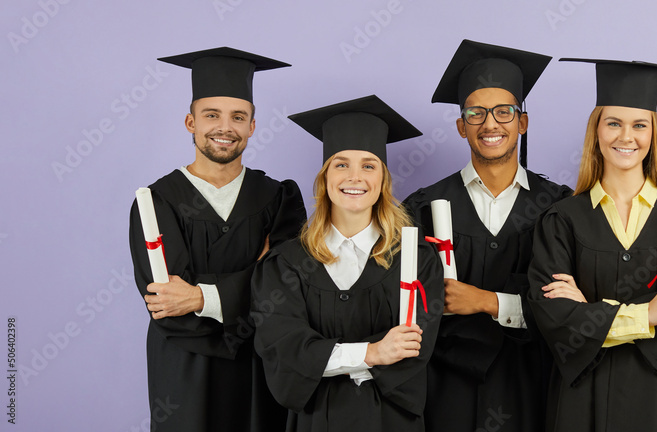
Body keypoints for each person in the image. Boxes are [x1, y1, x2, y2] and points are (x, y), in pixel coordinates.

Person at [527, 58, 657, 432]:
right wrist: (647, 314)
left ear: (654, 134)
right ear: (596, 131)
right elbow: (554, 318)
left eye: (639, 125)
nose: (626, 137)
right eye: (613, 123)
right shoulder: (562, 219)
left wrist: (589, 310)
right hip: (579, 400)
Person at [128, 47, 304, 432]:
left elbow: (288, 285)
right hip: (183, 368)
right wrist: (253, 281)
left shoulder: (277, 198)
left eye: (238, 117)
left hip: (261, 365)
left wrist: (199, 296)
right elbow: (165, 305)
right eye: (212, 115)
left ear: (252, 126)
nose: (225, 127)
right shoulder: (156, 202)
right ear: (190, 121)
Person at [402, 40, 572, 432]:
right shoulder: (422, 207)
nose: (490, 124)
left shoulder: (560, 208)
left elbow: (567, 310)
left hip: (534, 382)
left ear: (522, 123)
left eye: (503, 112)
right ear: (462, 127)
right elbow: (405, 306)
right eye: (476, 113)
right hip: (446, 388)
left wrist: (485, 301)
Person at [252, 95, 444, 431]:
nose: (354, 177)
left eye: (368, 166)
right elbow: (284, 347)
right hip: (314, 421)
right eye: (341, 164)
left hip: (392, 421)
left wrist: (327, 357)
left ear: (382, 180)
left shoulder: (416, 260)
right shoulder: (286, 262)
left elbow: (416, 346)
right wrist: (372, 352)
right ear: (325, 178)